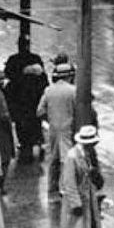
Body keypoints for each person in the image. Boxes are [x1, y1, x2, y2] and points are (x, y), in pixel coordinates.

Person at [59, 125, 104, 228]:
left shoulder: (89, 156)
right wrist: (75, 203)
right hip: (78, 200)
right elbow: (69, 182)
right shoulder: (72, 157)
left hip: (89, 197)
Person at [3, 35, 47, 164]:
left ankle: (26, 146)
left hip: (20, 102)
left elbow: (9, 76)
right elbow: (43, 81)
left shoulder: (13, 60)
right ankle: (36, 143)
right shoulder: (35, 59)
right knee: (34, 124)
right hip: (33, 101)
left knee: (21, 125)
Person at [37, 54, 77, 196]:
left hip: (54, 129)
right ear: (70, 76)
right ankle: (67, 188)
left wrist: (50, 120)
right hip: (69, 130)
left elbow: (39, 111)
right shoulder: (73, 91)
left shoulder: (49, 90)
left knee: (53, 160)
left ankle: (52, 188)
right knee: (68, 160)